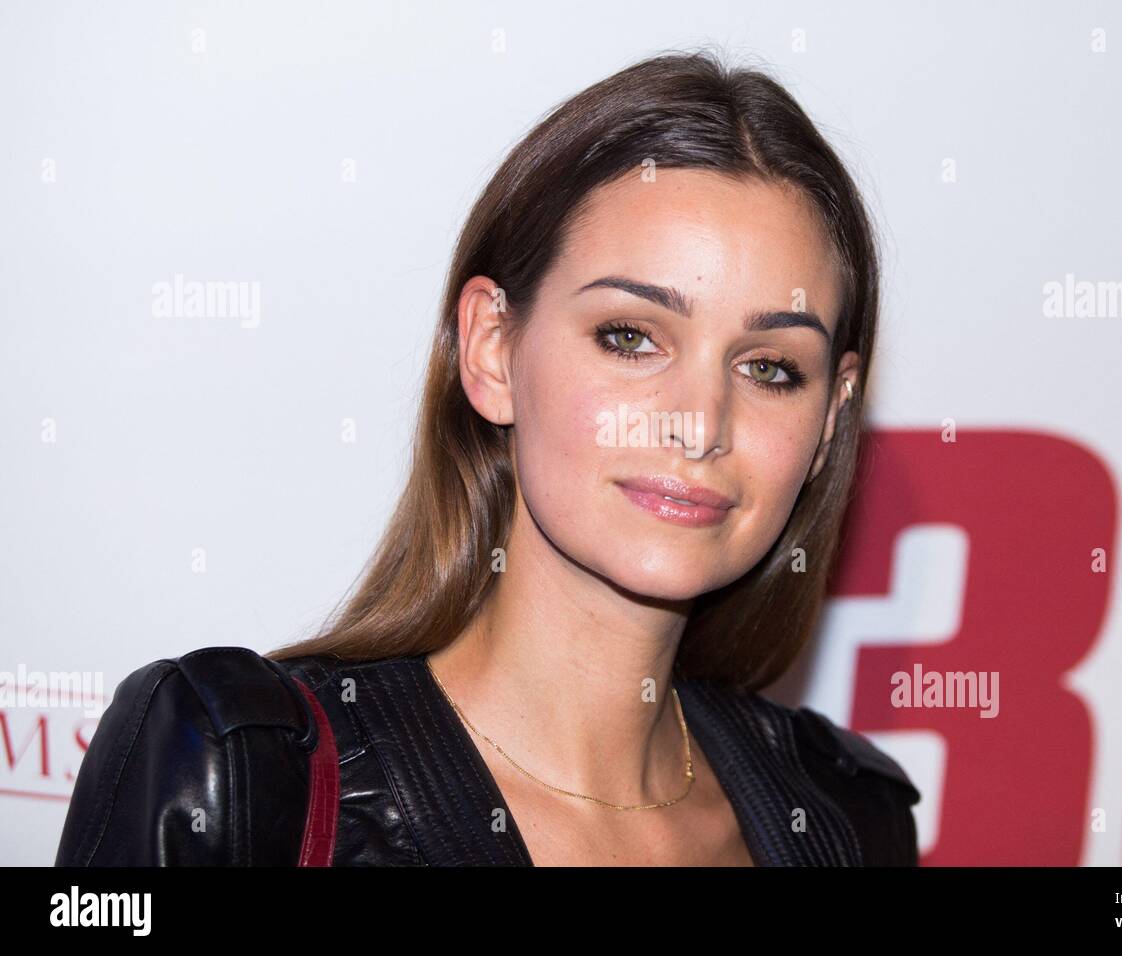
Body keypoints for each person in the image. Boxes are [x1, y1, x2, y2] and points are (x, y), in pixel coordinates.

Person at [54, 47, 920, 867]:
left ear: (830, 418)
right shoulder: (242, 774)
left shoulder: (848, 817)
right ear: (492, 350)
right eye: (631, 337)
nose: (700, 424)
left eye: (770, 368)